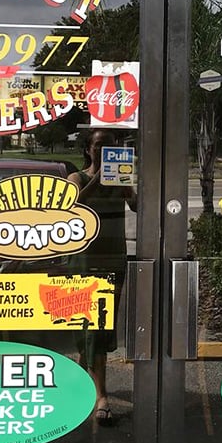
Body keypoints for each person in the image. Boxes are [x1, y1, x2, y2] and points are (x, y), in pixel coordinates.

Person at [68, 128, 137, 426]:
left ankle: (86, 375)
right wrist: (100, 177)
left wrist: (126, 185)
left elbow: (136, 205)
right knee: (91, 325)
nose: (103, 149)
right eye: (98, 145)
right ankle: (102, 397)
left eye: (109, 145)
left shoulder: (120, 176)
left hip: (114, 259)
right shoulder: (78, 179)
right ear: (88, 149)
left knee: (102, 327)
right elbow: (72, 207)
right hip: (85, 262)